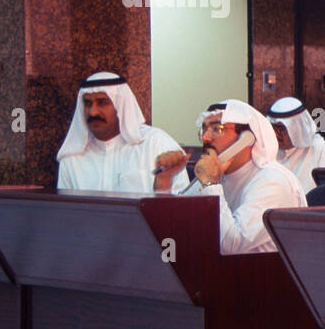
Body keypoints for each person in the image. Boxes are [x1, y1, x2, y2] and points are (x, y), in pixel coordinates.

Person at [180, 100, 307, 254]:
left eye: (216, 128)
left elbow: (230, 245)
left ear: (246, 138)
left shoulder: (273, 180)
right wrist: (164, 181)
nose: (206, 138)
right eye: (204, 130)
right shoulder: (218, 176)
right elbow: (178, 221)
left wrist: (210, 184)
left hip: (267, 274)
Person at [56, 71, 188, 193]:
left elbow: (182, 204)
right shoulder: (72, 159)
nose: (93, 112)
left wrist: (163, 183)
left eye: (102, 103)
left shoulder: (156, 144)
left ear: (121, 105)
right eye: (88, 103)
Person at [267, 96, 325, 193]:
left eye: (281, 129)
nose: (275, 134)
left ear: (297, 129)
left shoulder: (319, 148)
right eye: (273, 128)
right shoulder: (267, 149)